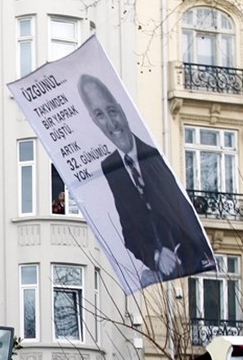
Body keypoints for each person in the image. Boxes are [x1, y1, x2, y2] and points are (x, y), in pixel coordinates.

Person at [77, 73, 215, 286]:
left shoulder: (153, 156)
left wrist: (177, 258)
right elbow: (129, 231)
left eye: (111, 110)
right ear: (94, 121)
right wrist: (157, 256)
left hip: (189, 257)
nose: (111, 122)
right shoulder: (111, 166)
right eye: (100, 115)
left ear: (121, 110)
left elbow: (182, 215)